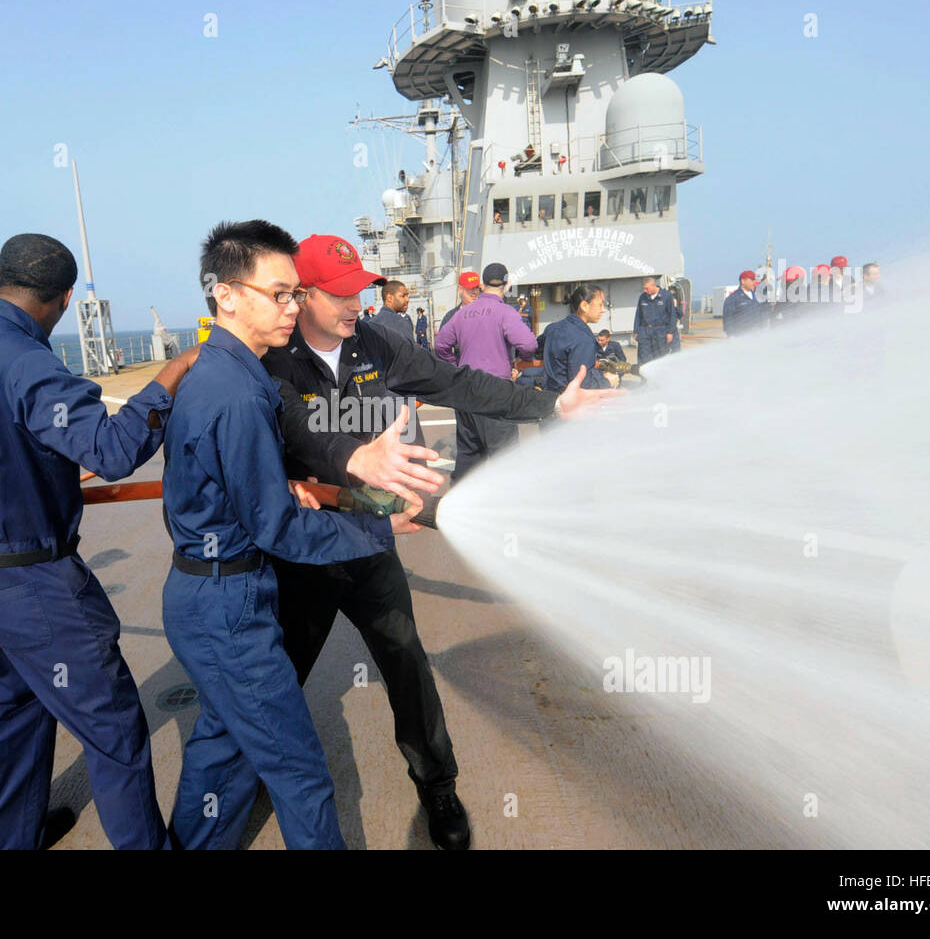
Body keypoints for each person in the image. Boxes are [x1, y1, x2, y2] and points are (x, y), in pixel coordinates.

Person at [264, 233, 612, 850]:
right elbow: (293, 425)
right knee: (278, 671)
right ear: (304, 295)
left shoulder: (373, 341)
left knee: (406, 666)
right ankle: (258, 771)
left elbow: (458, 383)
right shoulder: (273, 356)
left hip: (372, 541)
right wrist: (350, 458)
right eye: (341, 294)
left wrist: (548, 407)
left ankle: (438, 785)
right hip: (306, 548)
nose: (356, 304)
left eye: (362, 291)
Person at [0, 233, 194, 850]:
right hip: (33, 584)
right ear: (62, 301)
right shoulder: (30, 363)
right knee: (112, 727)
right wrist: (168, 380)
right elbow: (111, 452)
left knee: (9, 714)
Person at [164, 221, 423, 851]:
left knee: (222, 751)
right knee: (302, 778)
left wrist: (351, 484)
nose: (293, 306)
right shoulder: (235, 393)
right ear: (226, 295)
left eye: (295, 293)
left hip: (208, 591)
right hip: (228, 603)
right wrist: (374, 524)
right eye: (280, 294)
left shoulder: (234, 373)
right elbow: (276, 525)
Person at [435, 262, 541, 480]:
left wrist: (456, 368)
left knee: (468, 455)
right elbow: (529, 344)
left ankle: (461, 505)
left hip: (466, 391)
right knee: (506, 456)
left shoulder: (462, 314)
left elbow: (441, 346)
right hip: (495, 392)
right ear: (506, 284)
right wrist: (523, 359)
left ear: (482, 285)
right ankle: (509, 506)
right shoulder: (505, 312)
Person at [543, 283, 612, 392]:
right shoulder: (583, 339)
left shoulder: (552, 329)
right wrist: (608, 382)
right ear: (584, 306)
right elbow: (583, 384)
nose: (603, 310)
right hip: (572, 403)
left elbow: (536, 351)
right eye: (600, 305)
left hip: (551, 397)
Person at [633, 275, 678, 363]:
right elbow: (638, 315)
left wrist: (670, 332)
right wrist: (636, 331)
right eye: (644, 289)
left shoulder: (666, 296)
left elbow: (672, 315)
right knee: (643, 358)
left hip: (660, 332)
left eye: (647, 289)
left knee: (659, 358)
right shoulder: (643, 297)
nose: (645, 291)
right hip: (645, 331)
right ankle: (644, 376)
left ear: (653, 286)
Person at [722, 270, 766, 336]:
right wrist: (731, 337)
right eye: (752, 280)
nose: (754, 282)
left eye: (755, 280)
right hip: (741, 337)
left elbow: (762, 314)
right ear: (743, 281)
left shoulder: (757, 297)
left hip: (757, 337)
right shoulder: (732, 299)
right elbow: (728, 320)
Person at [370, 279, 415, 343]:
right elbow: (410, 352)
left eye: (407, 296)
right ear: (389, 298)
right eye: (403, 296)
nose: (407, 299)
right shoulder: (400, 323)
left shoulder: (371, 323)